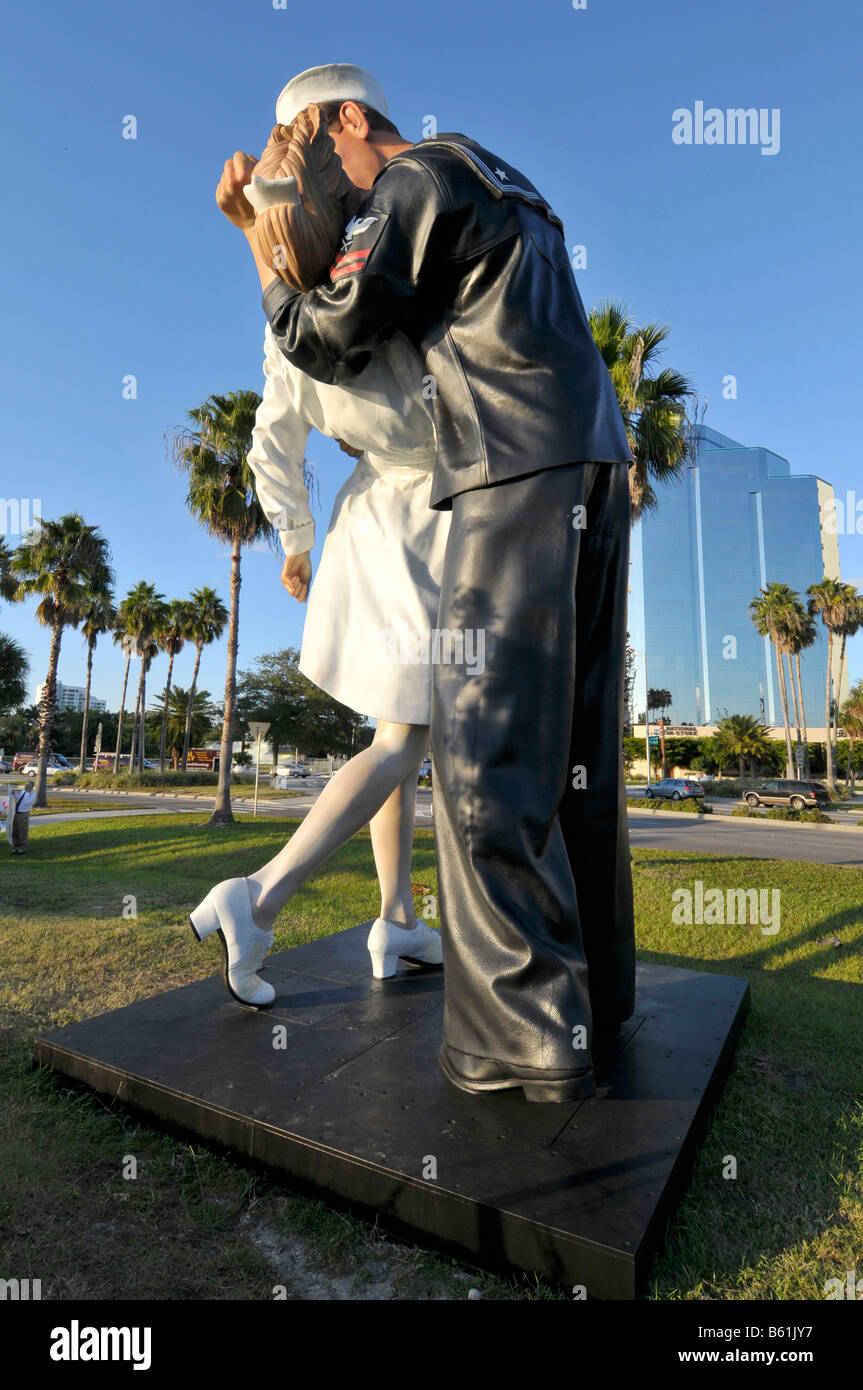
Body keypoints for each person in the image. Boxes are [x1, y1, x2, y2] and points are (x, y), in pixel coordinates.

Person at [217, 63, 637, 1103]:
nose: (334, 194)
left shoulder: (405, 186)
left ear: (351, 120)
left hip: (507, 466)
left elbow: (328, 328)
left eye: (318, 157)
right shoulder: (502, 176)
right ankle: (599, 993)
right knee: (577, 754)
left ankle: (521, 1038)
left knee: (488, 753)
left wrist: (267, 264)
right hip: (593, 457)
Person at [190, 104, 449, 1007]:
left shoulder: (288, 334)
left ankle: (397, 919)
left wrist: (295, 539)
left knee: (392, 733)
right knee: (404, 739)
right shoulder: (387, 287)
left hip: (369, 523)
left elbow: (270, 445)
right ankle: (257, 898)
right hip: (425, 521)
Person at [11, 780, 35, 854]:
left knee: (22, 831)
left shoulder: (33, 794)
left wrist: (27, 792)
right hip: (17, 813)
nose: (26, 787)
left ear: (31, 787)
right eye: (25, 785)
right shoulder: (23, 791)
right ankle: (16, 846)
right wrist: (15, 795)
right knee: (15, 831)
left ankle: (23, 847)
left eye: (28, 785)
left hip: (24, 814)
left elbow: (27, 803)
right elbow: (20, 800)